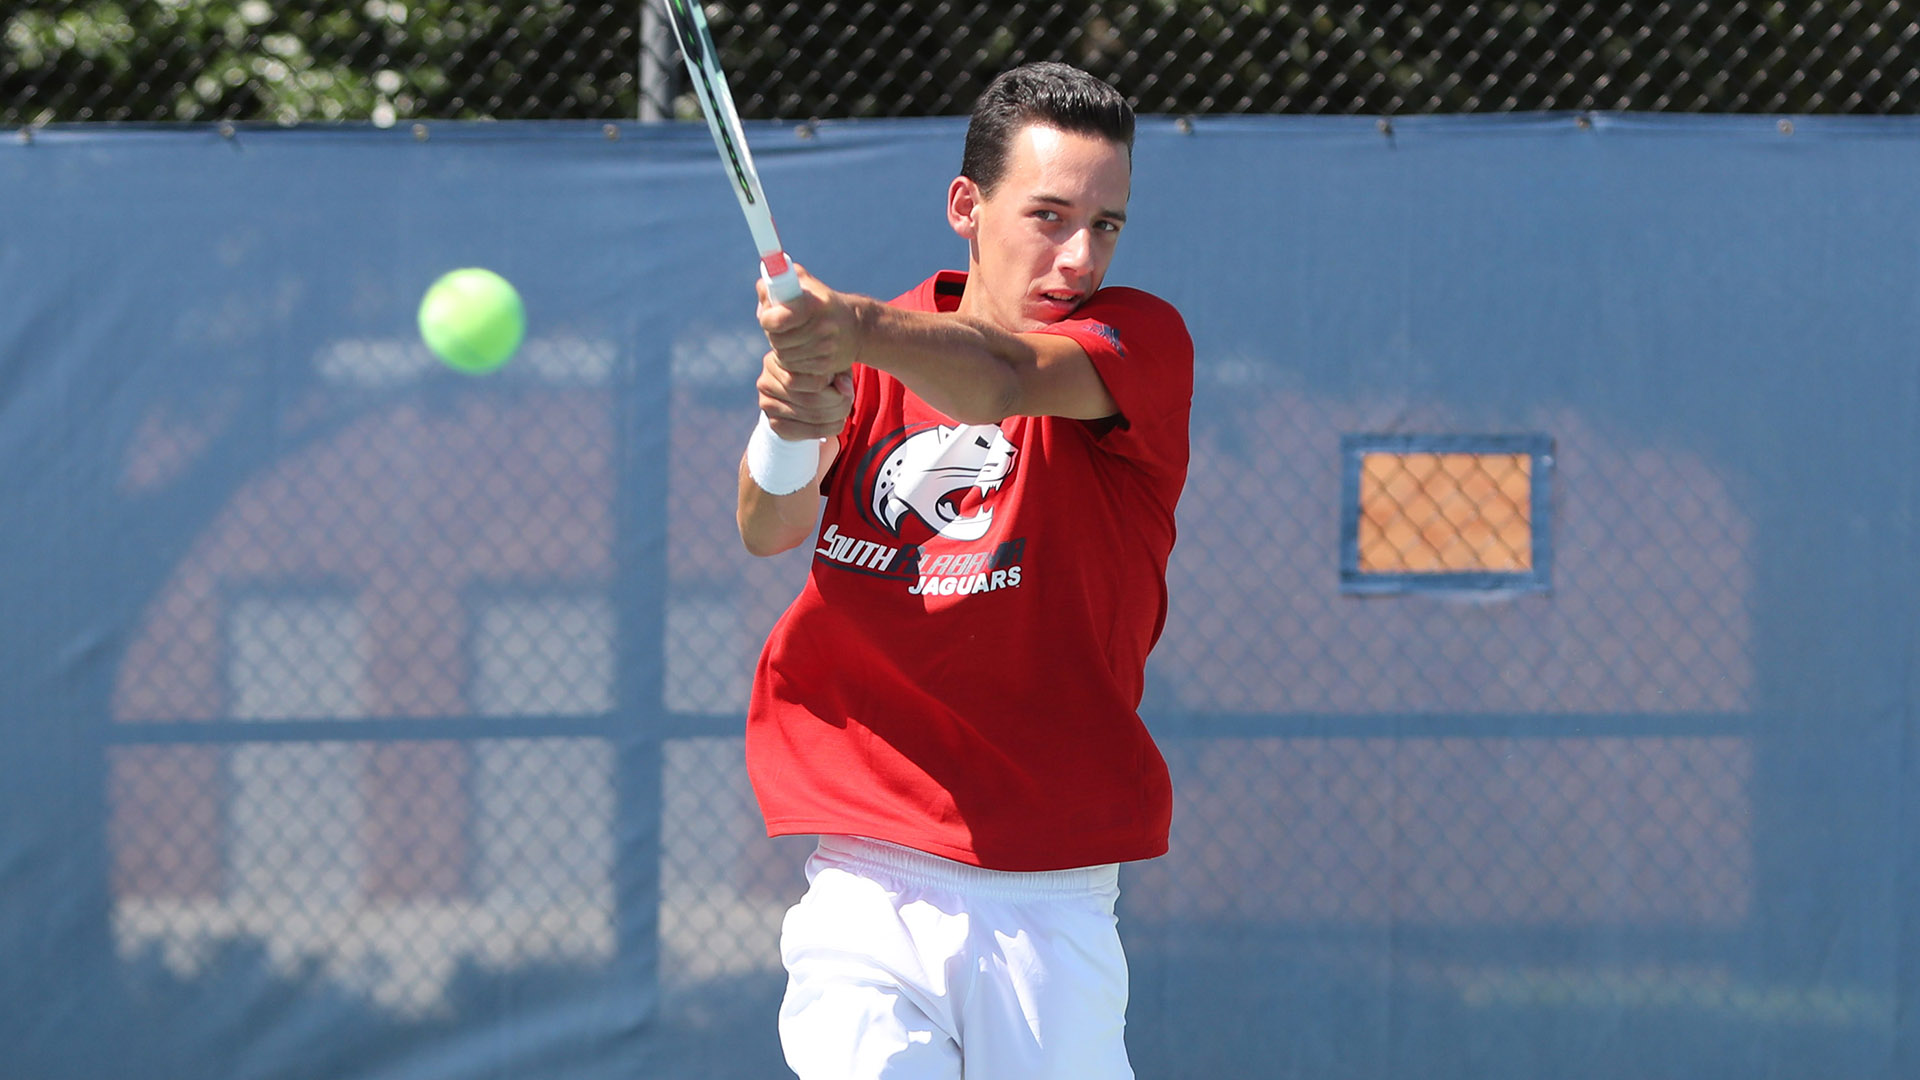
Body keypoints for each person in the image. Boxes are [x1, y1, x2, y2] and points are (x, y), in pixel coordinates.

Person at [734, 61, 1192, 1079]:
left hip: (1052, 889)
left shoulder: (1137, 343)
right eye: (1050, 215)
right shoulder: (873, 354)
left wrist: (848, 329)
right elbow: (768, 524)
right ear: (965, 207)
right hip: (866, 868)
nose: (1078, 256)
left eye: (1106, 224)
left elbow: (998, 381)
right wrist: (790, 426)